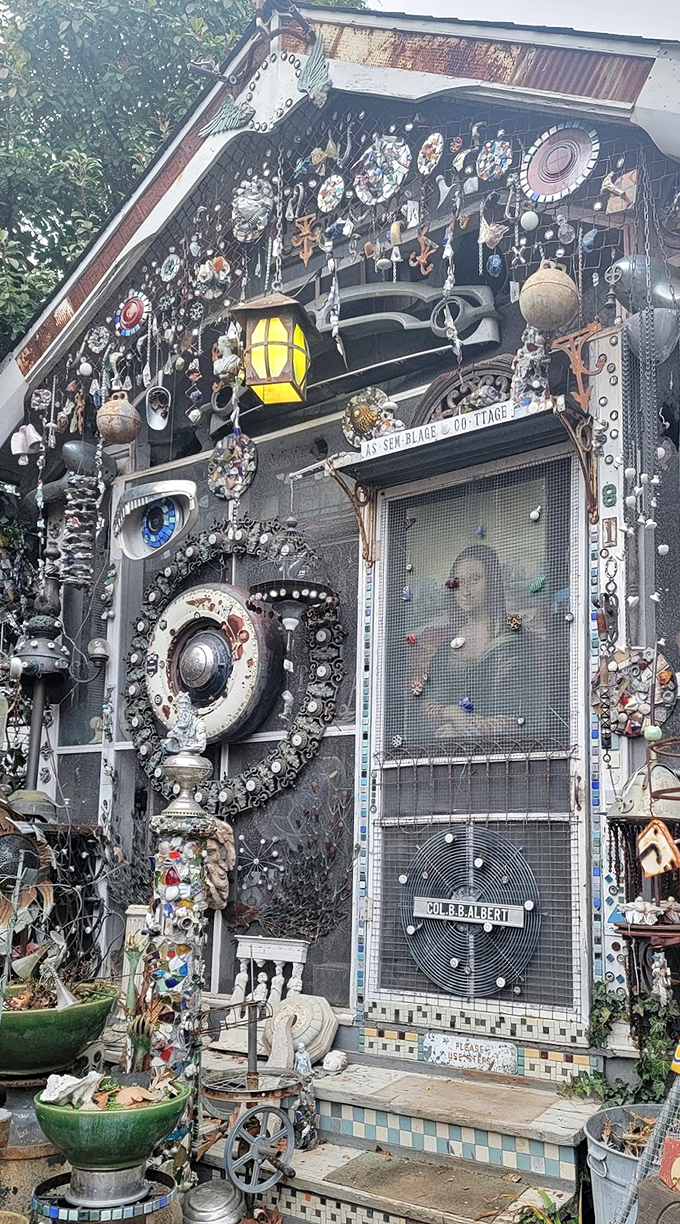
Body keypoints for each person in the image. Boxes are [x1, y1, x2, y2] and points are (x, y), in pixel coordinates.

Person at [420, 544, 537, 742]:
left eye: (474, 579)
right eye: (459, 582)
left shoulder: (512, 643)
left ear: (491, 581)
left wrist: (465, 730)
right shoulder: (447, 649)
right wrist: (451, 712)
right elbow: (427, 704)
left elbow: (522, 715)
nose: (465, 591)